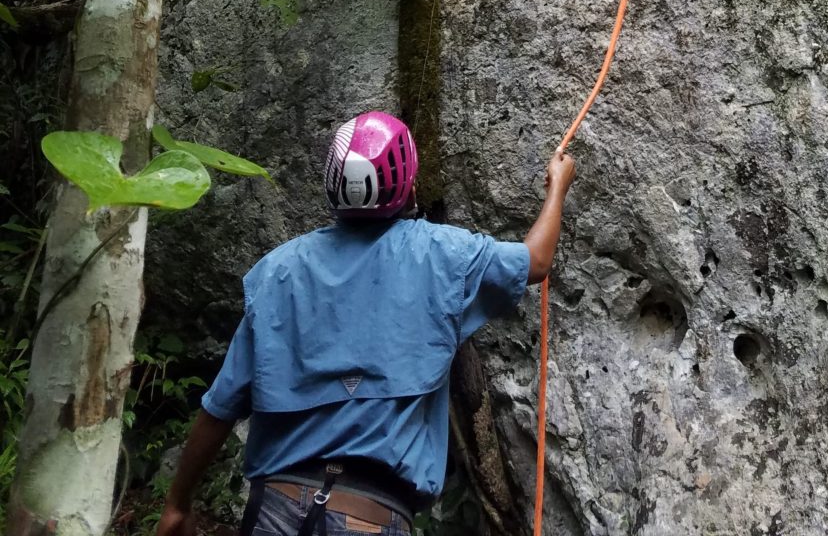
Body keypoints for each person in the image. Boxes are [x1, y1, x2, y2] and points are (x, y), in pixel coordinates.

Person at [156, 111, 576, 536]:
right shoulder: (442, 254)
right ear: (409, 184)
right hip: (371, 515)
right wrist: (557, 187)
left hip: (275, 509)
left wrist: (177, 505)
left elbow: (221, 405)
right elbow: (535, 260)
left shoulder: (278, 273)